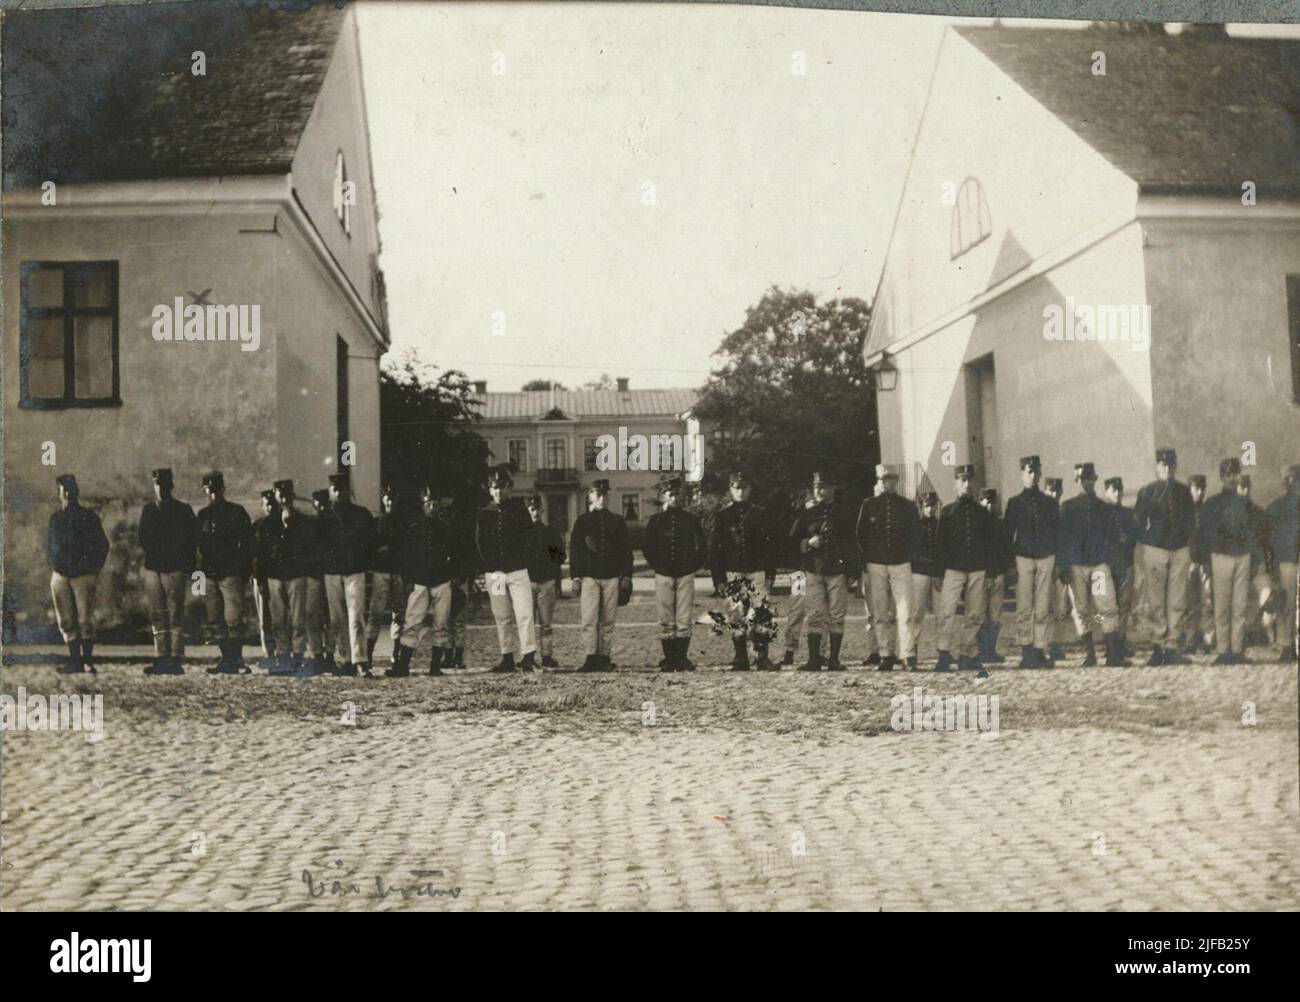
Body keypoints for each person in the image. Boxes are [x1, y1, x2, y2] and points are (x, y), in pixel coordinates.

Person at [1197, 459, 1272, 665]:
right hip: (1220, 557)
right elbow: (1203, 535)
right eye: (1228, 474)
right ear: (1221, 477)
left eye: (1235, 473)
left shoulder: (1246, 504)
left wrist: (1256, 559)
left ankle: (1237, 650)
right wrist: (1205, 562)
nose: (1232, 478)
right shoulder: (1211, 504)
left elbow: (1255, 534)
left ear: (1239, 476)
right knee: (1221, 605)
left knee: (1239, 605)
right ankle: (1223, 650)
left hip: (1243, 557)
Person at [1058, 463, 1127, 668]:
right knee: (1081, 609)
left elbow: (1112, 538)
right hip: (1077, 565)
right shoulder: (1068, 507)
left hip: (1098, 565)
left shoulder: (1103, 507)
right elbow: (1061, 539)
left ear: (1094, 480)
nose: (1086, 483)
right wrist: (1063, 567)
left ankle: (1112, 653)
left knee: (1106, 606)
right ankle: (1090, 653)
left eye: (1089, 479)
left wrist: (1113, 564)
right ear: (1076, 481)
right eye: (1082, 479)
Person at [789, 470, 859, 671]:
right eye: (817, 487)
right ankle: (814, 659)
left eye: (824, 487)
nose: (820, 490)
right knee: (815, 614)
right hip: (814, 570)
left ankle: (834, 659)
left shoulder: (845, 513)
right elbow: (792, 540)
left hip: (837, 571)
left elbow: (852, 544)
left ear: (833, 489)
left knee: (837, 615)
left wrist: (852, 572)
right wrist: (808, 542)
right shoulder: (808, 514)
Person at [1133, 447, 1196, 666]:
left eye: (1171, 464)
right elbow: (1137, 521)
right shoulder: (1147, 491)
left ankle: (1172, 647)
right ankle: (1157, 646)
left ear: (1175, 466)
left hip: (1179, 550)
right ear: (1157, 466)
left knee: (1177, 600)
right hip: (1156, 550)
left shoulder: (1183, 491)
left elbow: (1191, 520)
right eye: (1163, 464)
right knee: (1156, 600)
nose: (1167, 468)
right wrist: (1147, 540)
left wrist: (1186, 541)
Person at [934, 464, 998, 676]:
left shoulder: (982, 513)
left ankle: (965, 653)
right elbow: (940, 544)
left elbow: (990, 545)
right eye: (962, 480)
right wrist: (938, 573)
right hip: (954, 568)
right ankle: (944, 653)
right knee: (946, 611)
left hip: (977, 569)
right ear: (955, 483)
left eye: (969, 479)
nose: (966, 484)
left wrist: (990, 572)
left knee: (975, 613)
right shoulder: (947, 512)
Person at [710, 471, 777, 670]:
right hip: (733, 571)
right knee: (736, 614)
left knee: (761, 613)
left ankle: (761, 657)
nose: (741, 491)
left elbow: (769, 547)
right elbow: (716, 549)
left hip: (756, 570)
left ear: (750, 489)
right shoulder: (723, 516)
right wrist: (719, 579)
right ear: (731, 490)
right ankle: (741, 657)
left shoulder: (760, 513)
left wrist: (770, 574)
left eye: (744, 487)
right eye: (737, 488)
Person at [856, 464, 919, 671]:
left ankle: (908, 654)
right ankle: (885, 654)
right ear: (878, 481)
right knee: (881, 612)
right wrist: (867, 559)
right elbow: (861, 535)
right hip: (876, 564)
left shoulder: (908, 506)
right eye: (883, 479)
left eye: (890, 479)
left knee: (905, 611)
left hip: (901, 563)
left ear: (896, 481)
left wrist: (908, 556)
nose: (887, 483)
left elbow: (914, 535)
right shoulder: (869, 504)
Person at [47, 474, 110, 674]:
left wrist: (93, 569)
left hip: (83, 575)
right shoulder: (55, 519)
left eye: (69, 489)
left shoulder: (88, 517)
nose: (66, 493)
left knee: (85, 619)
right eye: (62, 489)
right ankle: (74, 661)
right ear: (58, 493)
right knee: (66, 620)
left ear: (76, 491)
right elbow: (50, 546)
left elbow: (102, 545)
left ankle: (88, 660)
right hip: (61, 575)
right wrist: (56, 564)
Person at [390, 486, 456, 677]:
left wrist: (454, 576)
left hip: (442, 580)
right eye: (429, 504)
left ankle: (435, 666)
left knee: (441, 623)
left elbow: (455, 553)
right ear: (423, 506)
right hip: (419, 582)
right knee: (412, 622)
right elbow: (406, 556)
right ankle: (403, 665)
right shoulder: (414, 528)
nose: (432, 508)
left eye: (435, 504)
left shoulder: (446, 528)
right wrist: (408, 579)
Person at [477, 466, 537, 673]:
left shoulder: (520, 510)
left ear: (509, 488)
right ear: (489, 490)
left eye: (502, 487)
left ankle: (528, 656)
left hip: (517, 571)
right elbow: (480, 543)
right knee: (502, 616)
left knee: (524, 614)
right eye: (494, 488)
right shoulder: (485, 514)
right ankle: (507, 658)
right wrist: (489, 566)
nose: (498, 492)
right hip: (496, 573)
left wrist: (522, 560)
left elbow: (529, 539)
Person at [570, 478, 633, 673]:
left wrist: (626, 576)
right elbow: (575, 551)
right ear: (590, 496)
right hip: (589, 577)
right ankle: (590, 657)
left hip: (612, 576)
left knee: (607, 621)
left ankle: (605, 657)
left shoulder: (618, 521)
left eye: (605, 494)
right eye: (598, 494)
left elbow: (626, 550)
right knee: (589, 620)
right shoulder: (582, 522)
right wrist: (575, 577)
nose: (602, 498)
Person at [645, 476, 707, 671]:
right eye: (670, 494)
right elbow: (647, 547)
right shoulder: (656, 521)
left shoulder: (690, 520)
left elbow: (702, 547)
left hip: (685, 573)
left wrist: (692, 566)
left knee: (684, 615)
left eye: (677, 494)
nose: (674, 498)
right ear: (664, 496)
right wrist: (658, 565)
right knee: (665, 616)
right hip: (663, 573)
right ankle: (669, 658)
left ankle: (681, 657)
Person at [139, 467, 196, 675]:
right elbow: (143, 538)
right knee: (158, 615)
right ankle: (162, 657)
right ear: (154, 486)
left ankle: (176, 658)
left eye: (164, 484)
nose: (160, 488)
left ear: (171, 486)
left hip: (175, 569)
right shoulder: (149, 510)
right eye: (157, 484)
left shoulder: (183, 510)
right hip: (154, 568)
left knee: (175, 614)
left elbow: (191, 540)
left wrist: (183, 564)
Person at [196, 471, 253, 674]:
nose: (212, 494)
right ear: (205, 491)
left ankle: (236, 659)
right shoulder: (202, 516)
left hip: (230, 574)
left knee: (233, 618)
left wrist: (242, 572)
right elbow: (197, 549)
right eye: (208, 490)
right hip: (208, 575)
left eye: (215, 490)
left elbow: (247, 545)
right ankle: (226, 659)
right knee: (214, 618)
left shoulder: (236, 512)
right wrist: (199, 579)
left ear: (222, 489)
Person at [1004, 455, 1058, 668]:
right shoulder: (1015, 503)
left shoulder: (1050, 503)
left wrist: (1057, 562)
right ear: (1022, 474)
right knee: (1025, 606)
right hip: (1023, 558)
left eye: (1035, 471)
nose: (1032, 476)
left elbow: (1057, 533)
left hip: (1046, 557)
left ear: (1040, 473)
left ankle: (1039, 650)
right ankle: (1026, 650)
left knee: (1043, 606)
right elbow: (1008, 536)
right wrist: (1010, 565)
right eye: (1028, 471)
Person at [321, 471, 375, 677]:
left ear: (348, 491)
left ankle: (360, 660)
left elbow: (370, 542)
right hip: (332, 572)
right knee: (337, 618)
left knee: (356, 616)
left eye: (343, 489)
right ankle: (344, 659)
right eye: (335, 489)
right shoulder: (325, 517)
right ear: (330, 491)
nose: (339, 493)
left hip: (354, 571)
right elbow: (319, 545)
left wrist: (363, 563)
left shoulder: (361, 514)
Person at [267, 479, 319, 675]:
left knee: (298, 619)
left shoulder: (303, 520)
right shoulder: (269, 522)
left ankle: (297, 658)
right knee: (278, 620)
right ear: (275, 496)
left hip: (296, 575)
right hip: (275, 575)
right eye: (280, 495)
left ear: (292, 496)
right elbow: (263, 551)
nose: (284, 498)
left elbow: (307, 547)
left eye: (287, 495)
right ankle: (283, 658)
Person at [525, 493, 566, 668]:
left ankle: (547, 656)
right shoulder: (521, 534)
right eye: (532, 509)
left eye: (538, 509)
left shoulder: (550, 532)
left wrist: (550, 559)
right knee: (527, 622)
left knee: (546, 623)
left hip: (546, 582)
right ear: (528, 510)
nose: (535, 512)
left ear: (542, 511)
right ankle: (528, 656)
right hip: (526, 582)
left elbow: (560, 557)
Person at [367, 484, 407, 668]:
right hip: (381, 572)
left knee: (399, 614)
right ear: (383, 500)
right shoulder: (376, 522)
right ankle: (368, 655)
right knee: (376, 613)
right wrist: (379, 551)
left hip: (398, 572)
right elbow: (370, 547)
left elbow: (408, 548)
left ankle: (396, 653)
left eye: (393, 498)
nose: (390, 501)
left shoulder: (403, 523)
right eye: (387, 498)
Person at [1265, 464, 1299, 662]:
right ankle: (1288, 646)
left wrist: (1271, 568)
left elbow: (1267, 544)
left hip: (1285, 562)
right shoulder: (1275, 508)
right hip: (1288, 561)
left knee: (1286, 605)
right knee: (1288, 605)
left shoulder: (1274, 508)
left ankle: (1287, 645)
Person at [907, 490, 943, 671]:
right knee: (916, 614)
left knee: (941, 614)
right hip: (919, 573)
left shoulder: (940, 527)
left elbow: (944, 552)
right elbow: (912, 553)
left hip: (937, 574)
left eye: (932, 506)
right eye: (926, 506)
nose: (930, 509)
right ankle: (911, 653)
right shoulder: (914, 527)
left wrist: (939, 573)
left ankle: (943, 653)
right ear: (921, 506)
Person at [1105, 476, 1140, 658]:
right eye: (1113, 490)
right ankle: (1109, 642)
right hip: (1108, 565)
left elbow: (1134, 534)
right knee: (1107, 607)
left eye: (1119, 490)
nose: (1117, 493)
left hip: (1125, 563)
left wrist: (1127, 543)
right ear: (1106, 492)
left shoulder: (1128, 513)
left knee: (1124, 605)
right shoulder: (1101, 513)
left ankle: (1121, 641)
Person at [976, 487, 1011, 665]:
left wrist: (1006, 572)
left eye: (991, 501)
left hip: (997, 575)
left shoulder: (1001, 525)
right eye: (984, 501)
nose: (988, 505)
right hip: (981, 576)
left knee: (995, 616)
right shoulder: (974, 526)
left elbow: (1006, 550)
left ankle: (991, 650)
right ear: (980, 501)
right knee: (981, 615)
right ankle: (982, 651)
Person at [780, 489, 815, 666]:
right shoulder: (801, 522)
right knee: (796, 611)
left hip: (820, 573)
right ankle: (790, 650)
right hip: (801, 574)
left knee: (819, 614)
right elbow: (791, 544)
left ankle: (819, 653)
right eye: (811, 505)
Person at [1184, 474, 1215, 654]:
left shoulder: (1209, 510)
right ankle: (1190, 638)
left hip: (1205, 561)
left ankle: (1207, 639)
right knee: (1190, 601)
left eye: (1202, 488)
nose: (1200, 492)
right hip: (1188, 561)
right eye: (1196, 488)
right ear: (1190, 489)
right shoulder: (1183, 512)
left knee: (1207, 600)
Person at [307, 489, 337, 672]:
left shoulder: (335, 522)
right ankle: (317, 655)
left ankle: (330, 655)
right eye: (319, 502)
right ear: (314, 504)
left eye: (325, 502)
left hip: (332, 574)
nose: (322, 505)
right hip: (315, 576)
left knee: (331, 617)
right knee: (312, 616)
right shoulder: (310, 525)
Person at [251, 489, 280, 666]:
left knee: (282, 617)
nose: (270, 507)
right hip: (262, 577)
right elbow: (253, 556)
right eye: (266, 504)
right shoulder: (257, 526)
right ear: (262, 506)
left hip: (280, 577)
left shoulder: (283, 524)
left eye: (272, 504)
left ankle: (284, 652)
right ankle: (269, 653)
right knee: (265, 619)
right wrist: (258, 579)